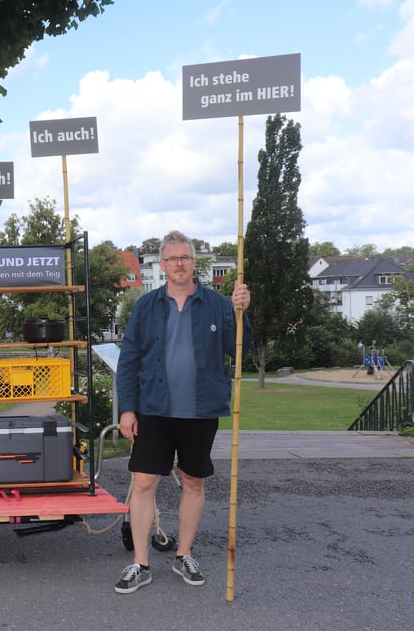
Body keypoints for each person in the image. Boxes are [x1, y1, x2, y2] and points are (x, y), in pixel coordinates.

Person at [113, 230, 252, 594]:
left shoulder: (218, 304)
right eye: (172, 258)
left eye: (185, 258)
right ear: (162, 265)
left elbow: (239, 349)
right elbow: (128, 361)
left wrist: (241, 313)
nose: (179, 264)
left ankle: (184, 554)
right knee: (144, 482)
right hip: (153, 409)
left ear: (194, 262)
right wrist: (127, 409)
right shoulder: (146, 306)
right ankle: (140, 563)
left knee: (194, 481)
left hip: (200, 409)